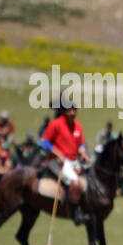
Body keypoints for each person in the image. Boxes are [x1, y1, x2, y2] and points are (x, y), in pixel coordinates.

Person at [39, 96, 92, 225]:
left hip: (74, 161)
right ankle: (75, 214)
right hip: (58, 162)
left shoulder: (78, 127)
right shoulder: (55, 124)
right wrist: (56, 152)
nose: (73, 112)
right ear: (64, 111)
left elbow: (81, 144)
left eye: (75, 110)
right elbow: (43, 142)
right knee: (74, 181)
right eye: (70, 110)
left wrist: (83, 152)